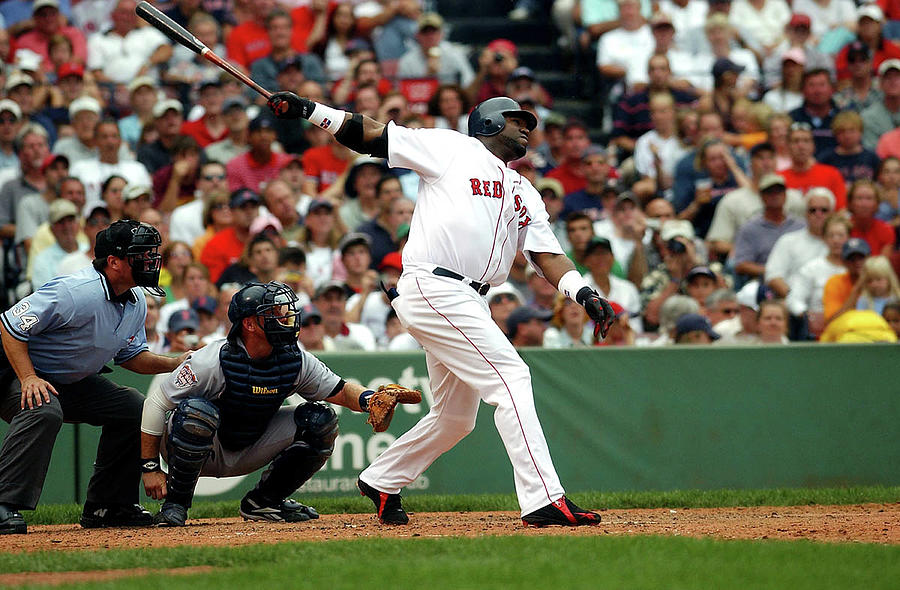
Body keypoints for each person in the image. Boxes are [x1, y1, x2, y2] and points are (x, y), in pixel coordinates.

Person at [266, 91, 615, 526]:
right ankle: (543, 498)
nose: (527, 126)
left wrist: (583, 293)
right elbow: (371, 134)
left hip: (471, 298)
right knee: (511, 377)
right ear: (488, 122)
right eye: (516, 119)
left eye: (529, 121)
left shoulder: (524, 189)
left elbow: (546, 254)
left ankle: (382, 478)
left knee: (455, 417)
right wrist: (309, 110)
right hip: (436, 285)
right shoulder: (452, 148)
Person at [143, 281, 397, 526]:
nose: (285, 318)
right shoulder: (211, 360)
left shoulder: (295, 359)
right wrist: (151, 467)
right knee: (197, 413)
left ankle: (264, 502)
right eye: (273, 313)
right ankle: (175, 505)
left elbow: (340, 391)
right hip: (200, 445)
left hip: (250, 445)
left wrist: (370, 400)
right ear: (249, 324)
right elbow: (156, 404)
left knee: (321, 420)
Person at [0, 220, 189, 535]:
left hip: (67, 380)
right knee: (43, 408)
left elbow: (131, 356)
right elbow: (9, 325)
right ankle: (3, 504)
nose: (150, 260)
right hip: (12, 370)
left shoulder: (136, 300)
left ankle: (109, 506)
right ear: (113, 262)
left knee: (134, 408)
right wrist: (29, 377)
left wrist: (175, 363)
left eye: (151, 253)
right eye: (140, 254)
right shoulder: (75, 291)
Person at [786, 213, 850, 339]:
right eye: (831, 235)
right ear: (824, 239)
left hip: (851, 326)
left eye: (840, 235)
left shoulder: (855, 268)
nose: (836, 240)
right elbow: (793, 299)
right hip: (819, 329)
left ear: (849, 238)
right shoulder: (811, 268)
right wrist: (808, 316)